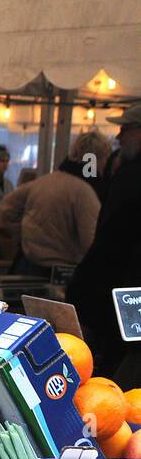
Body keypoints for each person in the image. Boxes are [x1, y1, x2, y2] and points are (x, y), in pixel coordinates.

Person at [68, 103, 141, 381]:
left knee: (119, 376)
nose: (119, 137)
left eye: (126, 129)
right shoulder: (119, 174)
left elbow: (107, 240)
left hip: (122, 296)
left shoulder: (130, 176)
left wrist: (81, 286)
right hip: (124, 294)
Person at [0, 132, 105, 277]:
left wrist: (23, 234)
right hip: (64, 271)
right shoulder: (86, 192)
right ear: (97, 158)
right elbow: (91, 242)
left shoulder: (45, 181)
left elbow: (6, 207)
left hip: (29, 264)